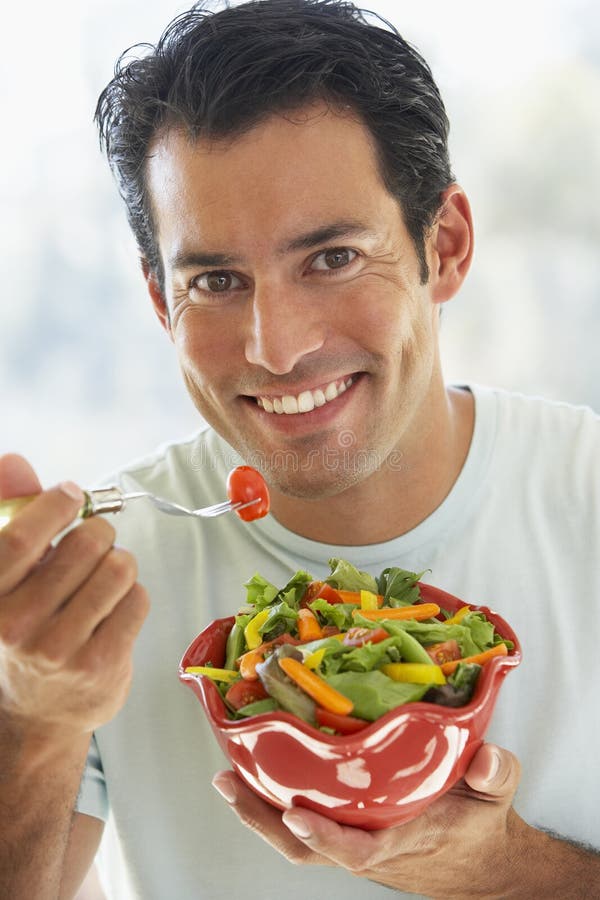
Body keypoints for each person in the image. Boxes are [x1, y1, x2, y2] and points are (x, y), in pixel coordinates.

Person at [1, 0, 599, 897]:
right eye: (214, 280)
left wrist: (504, 873)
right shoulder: (90, 591)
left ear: (445, 247)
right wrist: (36, 719)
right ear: (162, 303)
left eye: (332, 259)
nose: (275, 348)